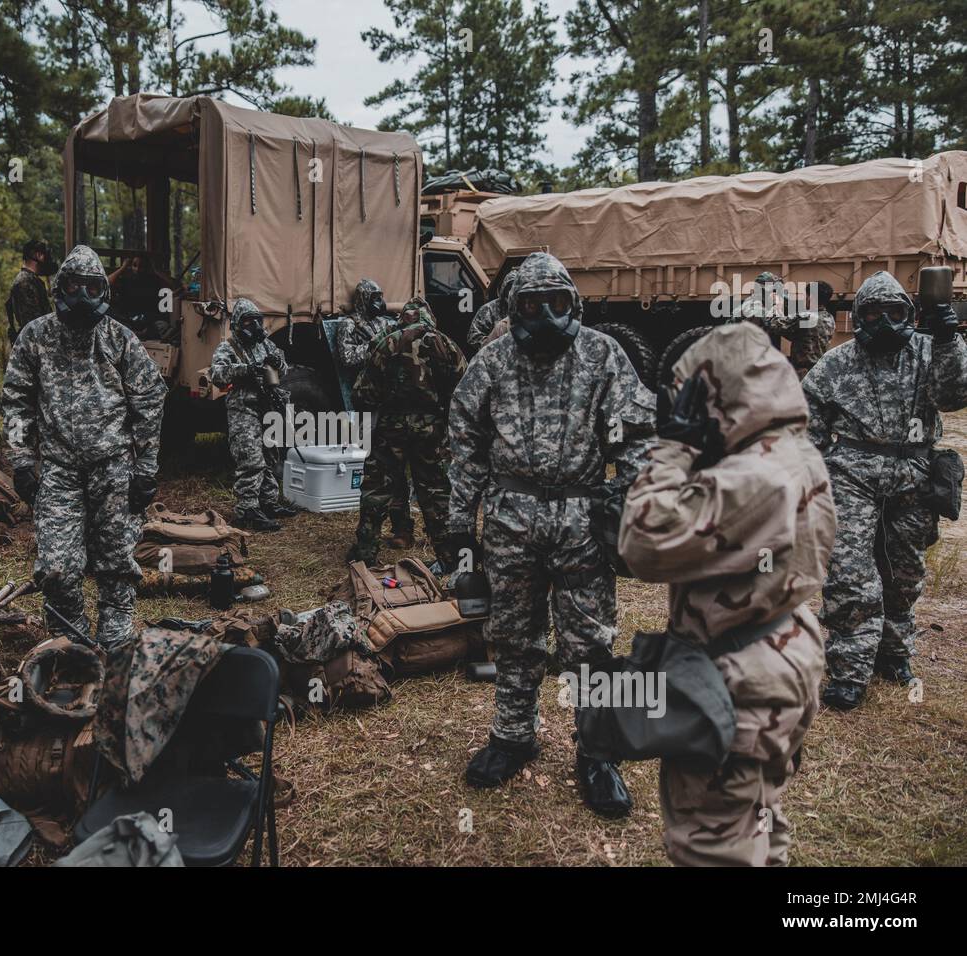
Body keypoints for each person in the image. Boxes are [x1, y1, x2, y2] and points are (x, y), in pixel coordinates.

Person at [618, 322, 835, 866]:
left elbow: (643, 542)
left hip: (743, 678)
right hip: (781, 652)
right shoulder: (793, 451)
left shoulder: (753, 475)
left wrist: (674, 448)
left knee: (713, 840)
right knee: (759, 813)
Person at [447, 252, 654, 817]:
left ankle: (596, 753)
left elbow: (636, 432)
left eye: (556, 304)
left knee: (588, 642)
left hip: (583, 522)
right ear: (512, 308)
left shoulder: (601, 353)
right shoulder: (491, 361)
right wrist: (459, 526)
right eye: (531, 305)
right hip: (511, 520)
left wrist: (630, 502)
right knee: (514, 635)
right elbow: (464, 441)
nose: (544, 316)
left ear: (574, 304)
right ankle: (514, 735)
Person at [802, 271, 967, 709]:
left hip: (913, 475)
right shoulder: (836, 363)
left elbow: (953, 397)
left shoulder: (930, 351)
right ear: (858, 317)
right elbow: (805, 428)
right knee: (852, 577)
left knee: (903, 576)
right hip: (850, 477)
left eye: (894, 313)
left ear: (908, 314)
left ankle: (893, 655)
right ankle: (849, 672)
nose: (884, 322)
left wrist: (950, 339)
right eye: (873, 313)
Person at [2, 245, 167, 647]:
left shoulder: (119, 338)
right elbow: (16, 399)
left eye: (91, 287)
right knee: (56, 566)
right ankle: (68, 635)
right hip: (58, 469)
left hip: (113, 467)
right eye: (73, 286)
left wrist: (145, 469)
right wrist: (22, 461)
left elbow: (149, 398)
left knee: (116, 559)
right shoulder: (36, 336)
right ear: (59, 287)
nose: (81, 296)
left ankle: (115, 632)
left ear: (103, 291)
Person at [347, 297, 465, 566]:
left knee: (377, 489)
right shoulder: (446, 344)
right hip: (432, 429)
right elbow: (463, 393)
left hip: (391, 428)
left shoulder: (386, 343)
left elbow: (362, 394)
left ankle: (366, 552)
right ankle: (448, 556)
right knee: (436, 491)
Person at [334, 278, 414, 548]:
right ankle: (369, 533)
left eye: (381, 296)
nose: (379, 302)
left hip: (393, 401)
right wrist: (375, 349)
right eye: (374, 297)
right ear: (362, 299)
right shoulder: (349, 324)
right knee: (373, 468)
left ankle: (402, 526)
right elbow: (345, 357)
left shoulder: (388, 322)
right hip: (368, 401)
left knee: (398, 467)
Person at [208, 299, 295, 532]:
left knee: (270, 456)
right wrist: (246, 370)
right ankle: (247, 509)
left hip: (267, 407)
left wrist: (279, 363)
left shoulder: (265, 344)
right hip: (243, 409)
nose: (255, 326)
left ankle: (267, 502)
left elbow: (283, 369)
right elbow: (217, 374)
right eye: (248, 322)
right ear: (237, 324)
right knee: (250, 459)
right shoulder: (228, 348)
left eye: (257, 321)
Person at [738, 271, 835, 379]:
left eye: (805, 295)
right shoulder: (829, 318)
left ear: (810, 297)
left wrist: (777, 305)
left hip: (803, 373)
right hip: (819, 371)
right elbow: (800, 335)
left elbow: (773, 324)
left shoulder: (805, 316)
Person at [5, 239, 54, 345]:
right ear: (38, 255)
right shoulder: (24, 283)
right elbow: (33, 324)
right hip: (33, 345)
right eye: (45, 255)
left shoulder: (32, 281)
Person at [466, 270, 515, 351]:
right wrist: (492, 343)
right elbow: (473, 337)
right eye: (509, 288)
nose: (511, 293)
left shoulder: (526, 309)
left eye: (515, 289)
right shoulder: (489, 309)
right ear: (504, 289)